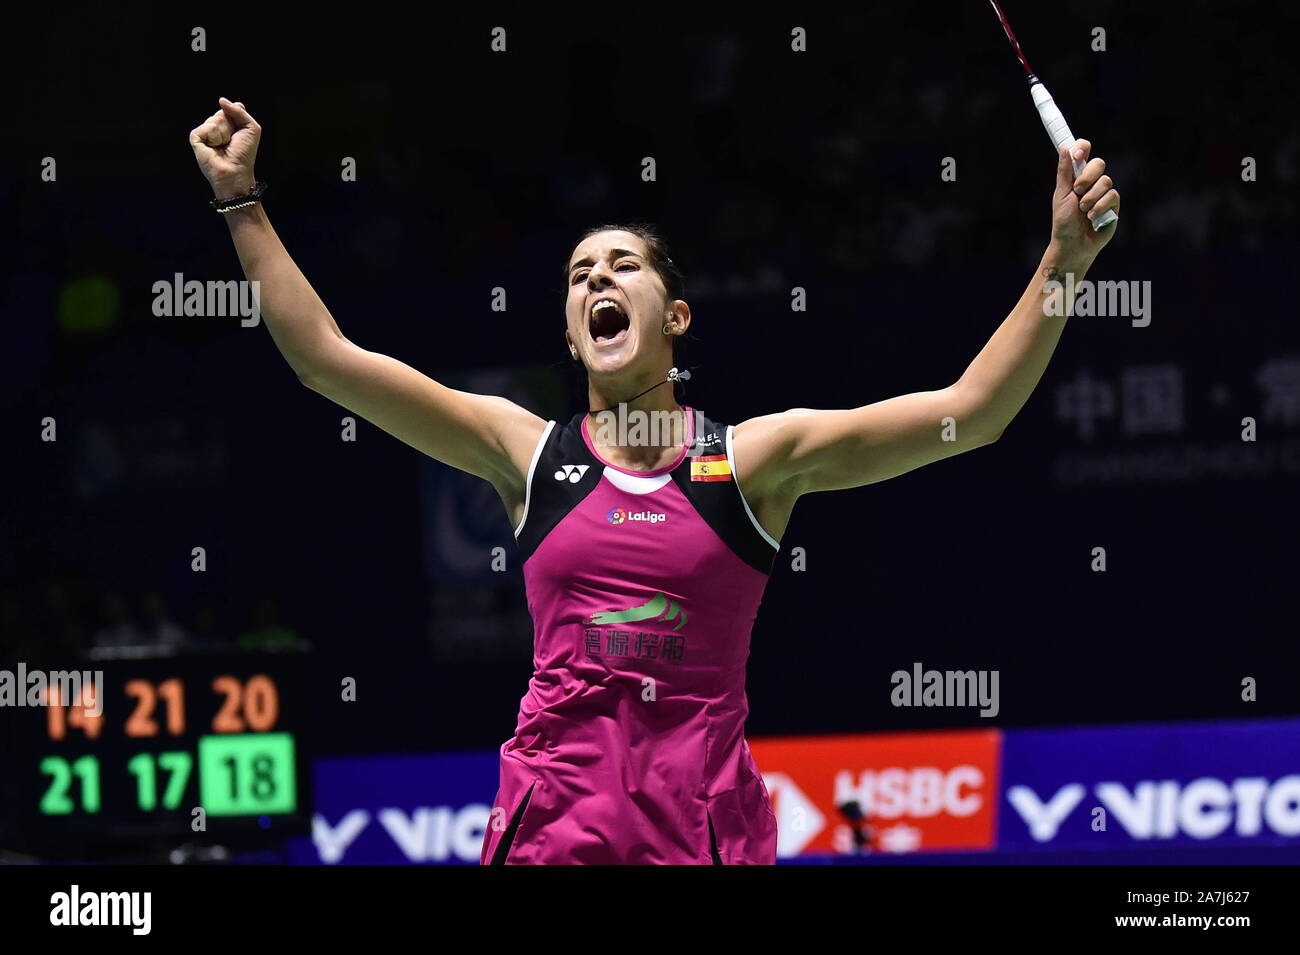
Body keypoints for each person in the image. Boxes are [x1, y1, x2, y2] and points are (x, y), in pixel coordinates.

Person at [189, 97, 1119, 864]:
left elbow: (975, 410)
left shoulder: (751, 463)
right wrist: (242, 203)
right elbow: (326, 361)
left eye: (623, 265)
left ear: (672, 315)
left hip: (704, 837)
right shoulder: (527, 453)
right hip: (553, 835)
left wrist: (1062, 262)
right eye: (580, 272)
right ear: (569, 330)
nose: (599, 277)